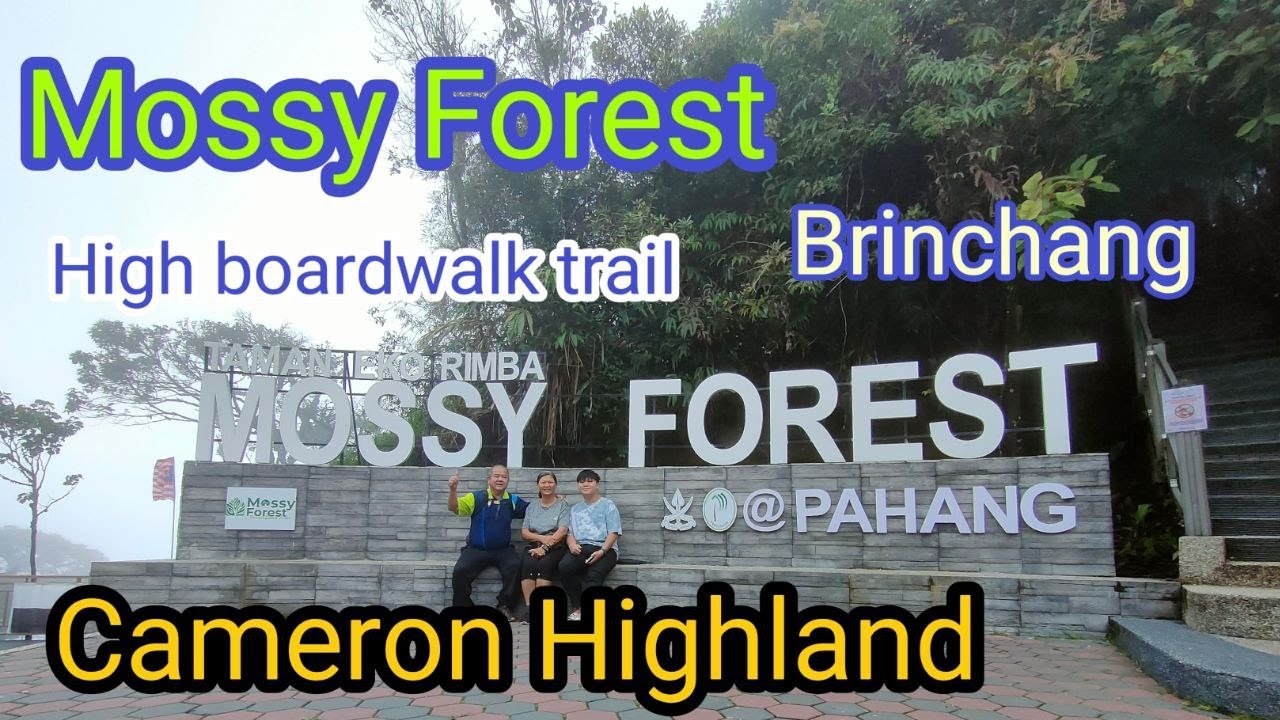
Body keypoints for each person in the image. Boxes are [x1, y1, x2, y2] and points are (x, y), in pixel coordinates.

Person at [447, 464, 528, 620]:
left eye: (504, 476)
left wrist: (554, 499)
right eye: (496, 476)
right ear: (489, 479)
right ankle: (463, 608)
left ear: (508, 481)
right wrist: (453, 490)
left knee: (516, 567)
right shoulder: (476, 497)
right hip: (476, 549)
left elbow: (533, 510)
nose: (500, 479)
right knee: (460, 571)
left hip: (503, 550)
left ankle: (504, 606)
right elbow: (454, 507)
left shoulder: (512, 500)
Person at [558, 469, 622, 619]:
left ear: (597, 484)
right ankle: (578, 608)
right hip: (581, 548)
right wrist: (572, 545)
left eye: (589, 481)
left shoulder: (608, 505)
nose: (585, 484)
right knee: (565, 567)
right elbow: (569, 533)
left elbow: (614, 532)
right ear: (578, 486)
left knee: (593, 576)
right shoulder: (575, 509)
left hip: (606, 549)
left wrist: (602, 551)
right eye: (582, 481)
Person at [519, 471, 570, 611]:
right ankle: (530, 608)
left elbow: (562, 531)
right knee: (528, 564)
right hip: (533, 545)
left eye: (550, 482)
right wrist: (541, 538)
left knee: (544, 565)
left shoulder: (563, 505)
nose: (547, 485)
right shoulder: (532, 506)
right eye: (543, 482)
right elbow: (524, 532)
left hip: (555, 547)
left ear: (555, 485)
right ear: (538, 486)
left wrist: (545, 547)